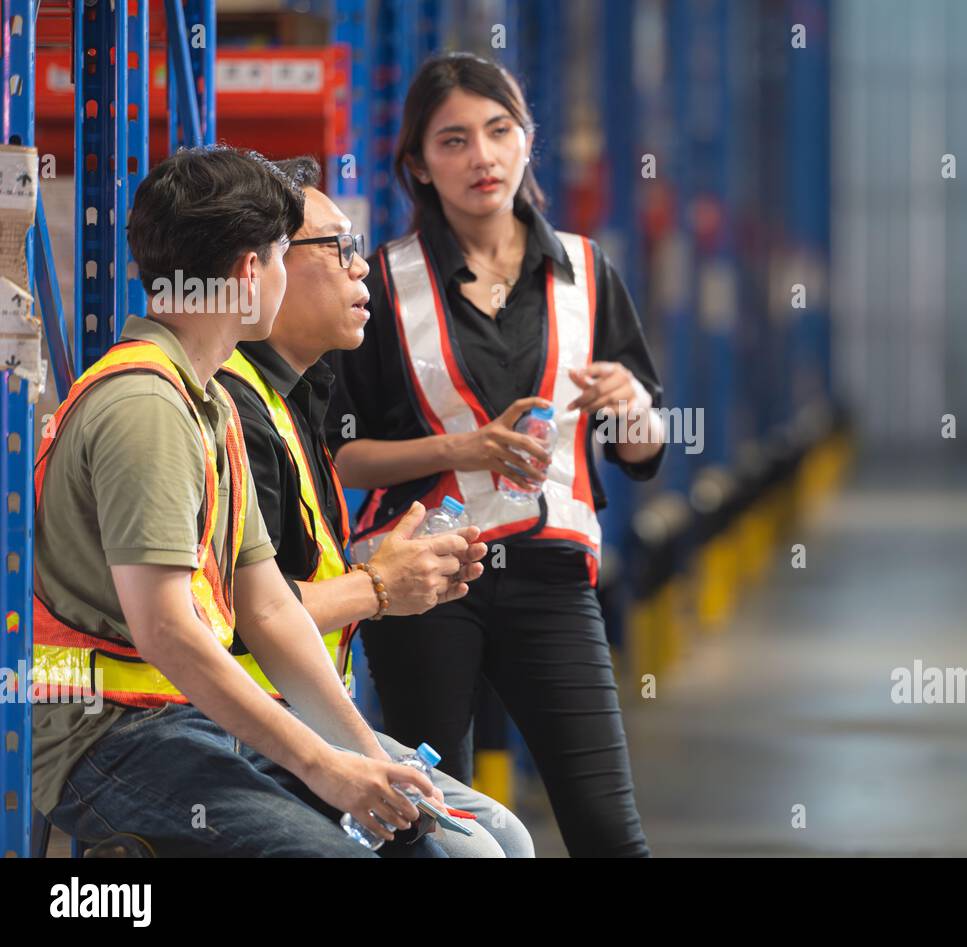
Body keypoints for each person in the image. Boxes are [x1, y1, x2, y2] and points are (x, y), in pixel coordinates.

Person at [30, 146, 443, 857]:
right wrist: (325, 768)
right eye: (283, 256)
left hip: (184, 718)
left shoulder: (209, 399)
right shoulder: (146, 408)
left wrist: (365, 753)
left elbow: (270, 606)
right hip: (107, 737)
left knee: (416, 839)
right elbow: (167, 631)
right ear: (251, 272)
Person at [326, 52, 665, 857]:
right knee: (429, 835)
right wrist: (461, 446)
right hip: (422, 585)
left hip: (551, 579)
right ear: (417, 164)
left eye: (498, 130)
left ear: (526, 141)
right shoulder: (379, 282)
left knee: (608, 831)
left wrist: (637, 408)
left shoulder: (588, 272)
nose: (480, 156)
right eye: (452, 141)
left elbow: (640, 451)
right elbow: (339, 459)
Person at [216, 155, 533, 856]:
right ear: (261, 264)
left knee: (505, 833)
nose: (361, 269)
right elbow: (242, 618)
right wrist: (378, 587)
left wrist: (385, 568)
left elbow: (284, 578)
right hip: (245, 722)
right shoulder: (231, 407)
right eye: (338, 247)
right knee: (473, 848)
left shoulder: (295, 396)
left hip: (302, 708)